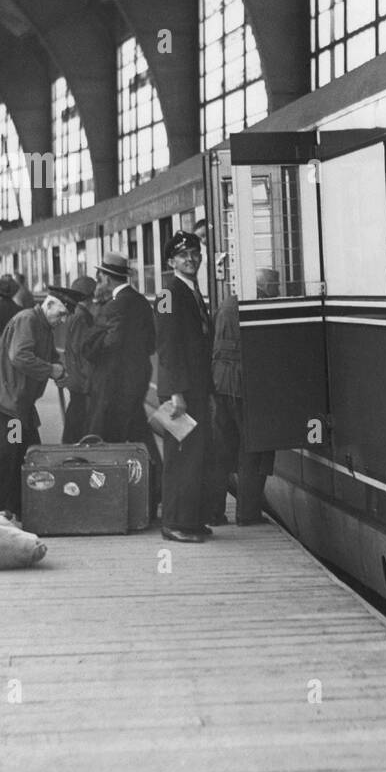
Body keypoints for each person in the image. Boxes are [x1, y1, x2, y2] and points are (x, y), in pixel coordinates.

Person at [0, 286, 83, 518]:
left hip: (18, 406)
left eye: (66, 316)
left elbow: (47, 354)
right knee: (2, 458)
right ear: (49, 304)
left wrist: (60, 369)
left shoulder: (43, 325)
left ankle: (18, 507)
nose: (63, 320)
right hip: (7, 405)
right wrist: (51, 370)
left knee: (21, 454)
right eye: (62, 313)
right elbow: (20, 356)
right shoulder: (28, 320)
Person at [82, 252, 161, 515]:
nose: (98, 281)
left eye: (99, 277)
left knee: (109, 440)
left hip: (115, 386)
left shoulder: (115, 306)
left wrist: (95, 346)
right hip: (137, 381)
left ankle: (111, 499)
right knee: (138, 436)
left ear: (106, 278)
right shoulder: (140, 302)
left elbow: (105, 343)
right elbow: (151, 344)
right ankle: (154, 491)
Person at [154, 232, 219, 543]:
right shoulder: (169, 294)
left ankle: (190, 520)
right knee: (180, 456)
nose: (191, 259)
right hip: (181, 391)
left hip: (194, 387)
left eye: (194, 253)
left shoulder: (191, 291)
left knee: (195, 454)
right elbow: (167, 347)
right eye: (183, 256)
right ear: (171, 262)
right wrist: (176, 391)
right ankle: (174, 524)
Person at [211, 282, 275, 526]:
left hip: (220, 382)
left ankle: (214, 512)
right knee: (253, 447)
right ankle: (248, 514)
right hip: (243, 382)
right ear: (264, 289)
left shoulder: (225, 304)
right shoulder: (254, 306)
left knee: (222, 448)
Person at [60, 275, 98, 445]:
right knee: (78, 426)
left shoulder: (75, 315)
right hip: (82, 384)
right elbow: (83, 353)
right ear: (91, 296)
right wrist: (91, 382)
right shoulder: (82, 318)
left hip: (77, 381)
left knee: (75, 422)